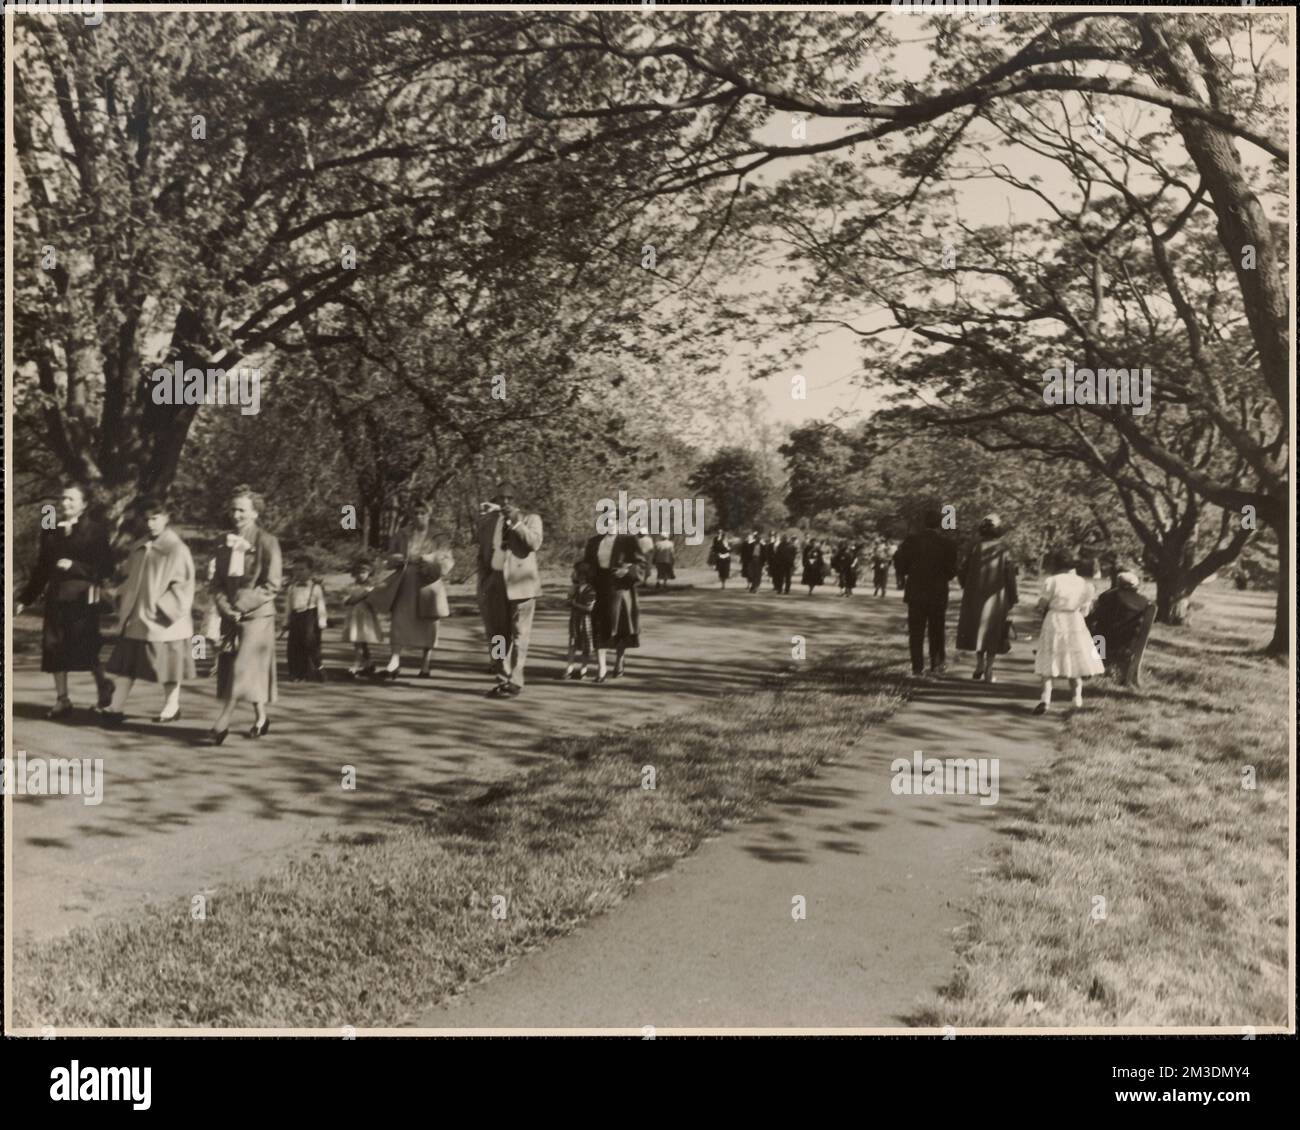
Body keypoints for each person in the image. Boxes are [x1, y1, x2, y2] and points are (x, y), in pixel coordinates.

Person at [17, 483, 116, 719]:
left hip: (83, 597)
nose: (65, 504)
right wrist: (25, 599)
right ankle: (62, 700)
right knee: (53, 646)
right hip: (56, 597)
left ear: (84, 504)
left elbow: (106, 568)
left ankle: (104, 685)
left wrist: (75, 566)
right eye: (63, 499)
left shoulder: (96, 530)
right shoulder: (50, 528)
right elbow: (42, 567)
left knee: (85, 645)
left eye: (71, 499)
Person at [100, 498, 196, 724]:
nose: (151, 523)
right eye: (147, 519)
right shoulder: (139, 546)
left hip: (164, 622)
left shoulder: (177, 548)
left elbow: (185, 585)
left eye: (156, 518)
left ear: (166, 518)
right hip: (136, 618)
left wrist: (163, 609)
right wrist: (119, 594)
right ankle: (116, 707)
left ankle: (172, 707)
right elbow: (133, 579)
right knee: (127, 665)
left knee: (169, 669)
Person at [206, 486, 281, 743]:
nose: (236, 515)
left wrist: (241, 606)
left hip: (257, 616)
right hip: (231, 615)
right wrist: (226, 608)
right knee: (241, 670)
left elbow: (272, 585)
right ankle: (261, 717)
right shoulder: (221, 541)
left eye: (242, 510)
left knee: (242, 668)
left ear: (255, 513)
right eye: (233, 509)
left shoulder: (267, 541)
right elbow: (215, 583)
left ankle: (223, 721)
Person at [370, 502, 453, 679]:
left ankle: (425, 664)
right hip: (406, 580)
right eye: (416, 512)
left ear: (429, 514)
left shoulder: (439, 535)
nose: (419, 516)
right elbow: (389, 556)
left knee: (429, 622)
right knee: (400, 619)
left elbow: (446, 559)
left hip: (428, 582)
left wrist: (430, 559)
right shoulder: (402, 533)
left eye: (423, 512)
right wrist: (396, 559)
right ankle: (394, 661)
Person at [476, 481, 543, 698]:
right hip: (494, 582)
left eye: (509, 498)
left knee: (519, 634)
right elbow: (483, 553)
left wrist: (516, 523)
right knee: (497, 633)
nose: (504, 502)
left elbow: (533, 544)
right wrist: (483, 583)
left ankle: (516, 678)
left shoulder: (531, 519)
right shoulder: (488, 522)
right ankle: (501, 675)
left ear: (517, 500)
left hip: (521, 582)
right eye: (501, 498)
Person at [1033, 548, 1105, 713]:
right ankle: (1076, 700)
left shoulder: (1052, 581)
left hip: (1055, 619)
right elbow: (1086, 611)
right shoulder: (1084, 584)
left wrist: (1039, 608)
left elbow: (1042, 604)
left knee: (1049, 658)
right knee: (1074, 659)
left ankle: (1045, 699)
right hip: (1074, 620)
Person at [893, 510, 958, 677]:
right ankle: (936, 665)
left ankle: (917, 667)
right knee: (937, 629)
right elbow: (952, 571)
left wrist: (908, 572)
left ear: (924, 522)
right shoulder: (947, 543)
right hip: (938, 591)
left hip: (916, 590)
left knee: (916, 632)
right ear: (939, 523)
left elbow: (899, 562)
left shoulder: (911, 541)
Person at [956, 514, 1019, 683]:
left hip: (974, 594)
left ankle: (979, 664)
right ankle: (989, 669)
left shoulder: (973, 546)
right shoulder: (1004, 548)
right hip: (996, 596)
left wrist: (966, 585)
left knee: (978, 628)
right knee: (993, 631)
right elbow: (1010, 575)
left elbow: (961, 569)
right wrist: (1013, 597)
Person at [585, 526, 649, 682]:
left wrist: (627, 571)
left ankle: (620, 659)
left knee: (621, 627)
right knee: (600, 625)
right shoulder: (594, 541)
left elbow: (642, 564)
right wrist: (584, 580)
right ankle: (602, 669)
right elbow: (586, 563)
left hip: (621, 588)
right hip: (600, 586)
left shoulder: (627, 540)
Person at [1085, 570, 1153, 675]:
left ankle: (1096, 665)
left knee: (1095, 631)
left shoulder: (1109, 596)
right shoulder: (1144, 600)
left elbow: (1097, 616)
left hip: (1108, 639)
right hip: (1131, 640)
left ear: (1118, 583)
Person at [284, 562, 328, 682]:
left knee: (309, 643)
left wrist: (322, 621)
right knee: (294, 645)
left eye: (302, 569)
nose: (298, 572)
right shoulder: (292, 587)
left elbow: (321, 604)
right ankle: (295, 673)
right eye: (296, 570)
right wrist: (286, 621)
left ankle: (312, 670)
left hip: (310, 616)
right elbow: (288, 605)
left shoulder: (315, 587)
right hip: (296, 616)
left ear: (310, 571)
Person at [559, 559, 598, 680]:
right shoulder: (575, 589)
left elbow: (589, 608)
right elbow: (568, 601)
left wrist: (573, 603)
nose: (574, 575)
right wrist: (570, 598)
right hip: (575, 619)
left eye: (577, 572)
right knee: (572, 643)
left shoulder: (591, 590)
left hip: (586, 620)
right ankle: (569, 668)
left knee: (586, 645)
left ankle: (583, 669)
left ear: (583, 575)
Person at [341, 559, 381, 677]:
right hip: (354, 616)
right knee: (359, 642)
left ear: (369, 573)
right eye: (358, 572)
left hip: (365, 617)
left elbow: (376, 603)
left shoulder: (372, 587)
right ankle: (368, 663)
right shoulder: (351, 586)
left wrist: (370, 596)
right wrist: (362, 595)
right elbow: (347, 601)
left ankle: (356, 665)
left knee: (360, 642)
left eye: (364, 572)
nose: (361, 575)